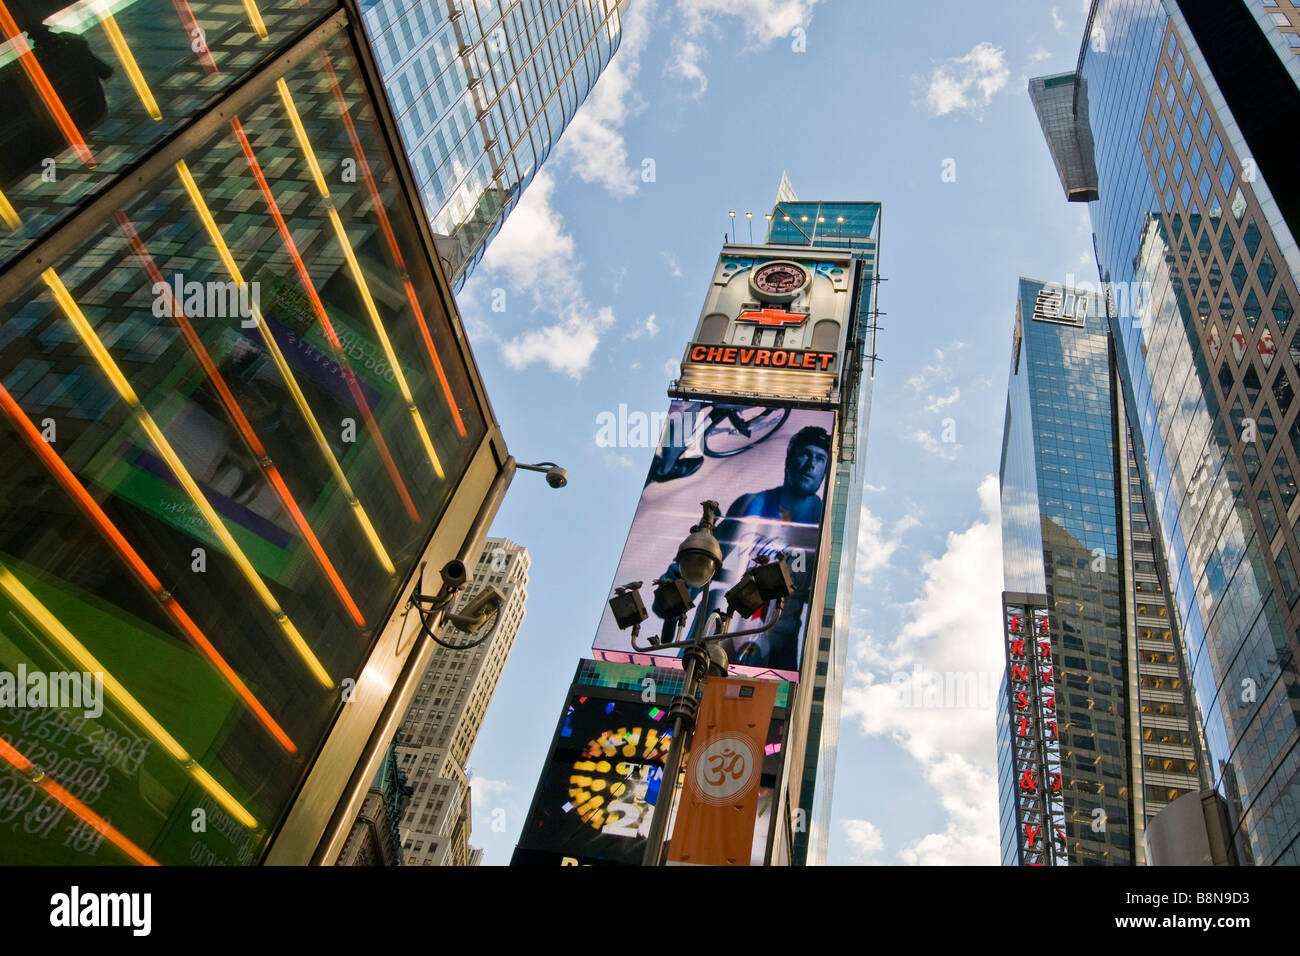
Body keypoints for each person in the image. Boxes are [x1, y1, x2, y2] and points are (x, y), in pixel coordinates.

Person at [652, 424, 830, 672]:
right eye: (805, 454)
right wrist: (676, 593)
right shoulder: (752, 503)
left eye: (820, 458)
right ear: (790, 459)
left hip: (777, 641)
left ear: (825, 470)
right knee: (686, 691)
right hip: (719, 631)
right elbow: (706, 561)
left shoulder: (825, 522)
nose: (811, 464)